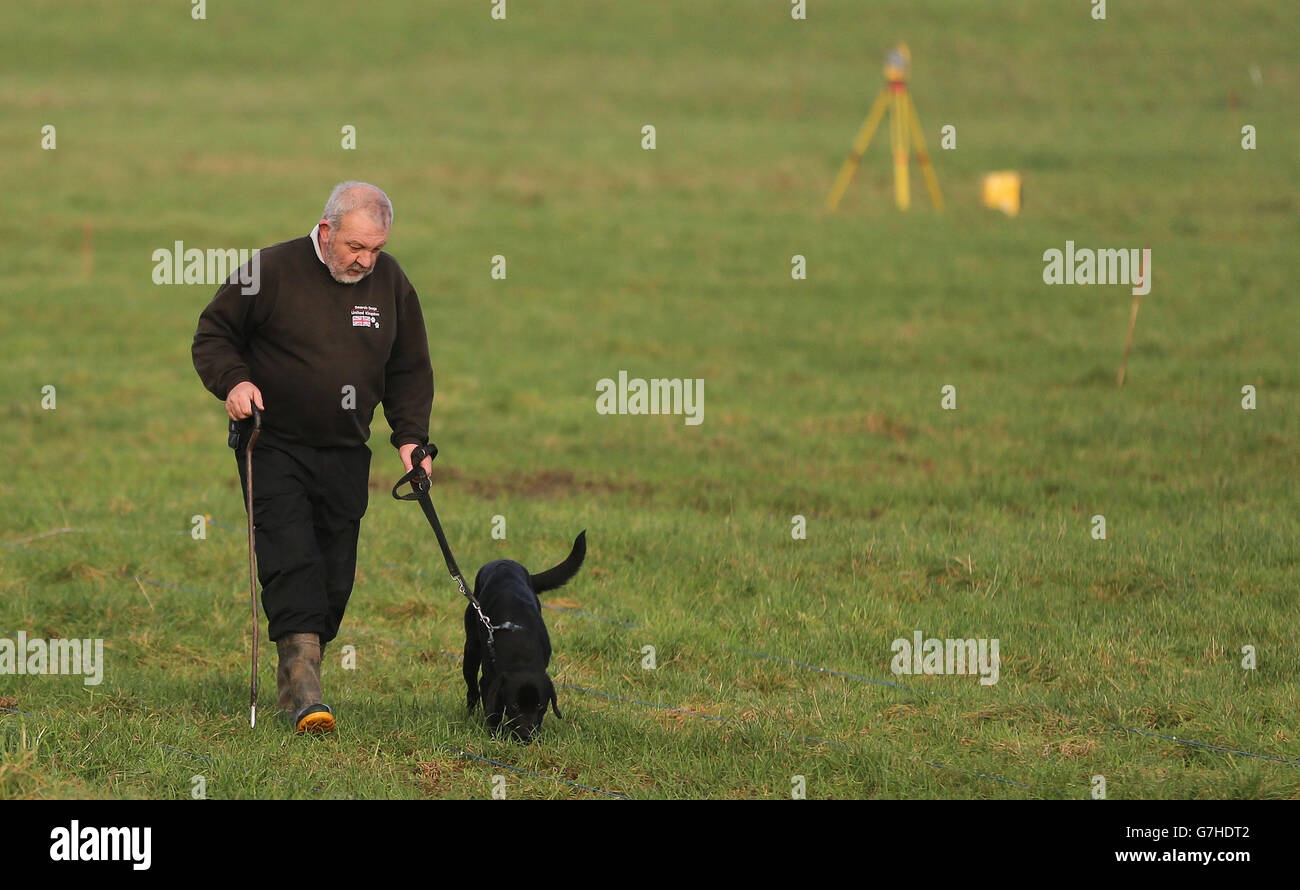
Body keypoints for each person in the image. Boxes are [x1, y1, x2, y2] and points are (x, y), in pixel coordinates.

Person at [192, 182, 434, 733]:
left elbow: (409, 368)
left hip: (347, 450)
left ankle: (304, 663)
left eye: (374, 249)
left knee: (334, 578)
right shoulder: (271, 270)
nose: (364, 260)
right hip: (272, 444)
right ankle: (302, 690)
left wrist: (411, 437)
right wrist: (235, 383)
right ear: (326, 231)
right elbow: (213, 335)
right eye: (354, 247)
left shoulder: (390, 283)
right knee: (291, 556)